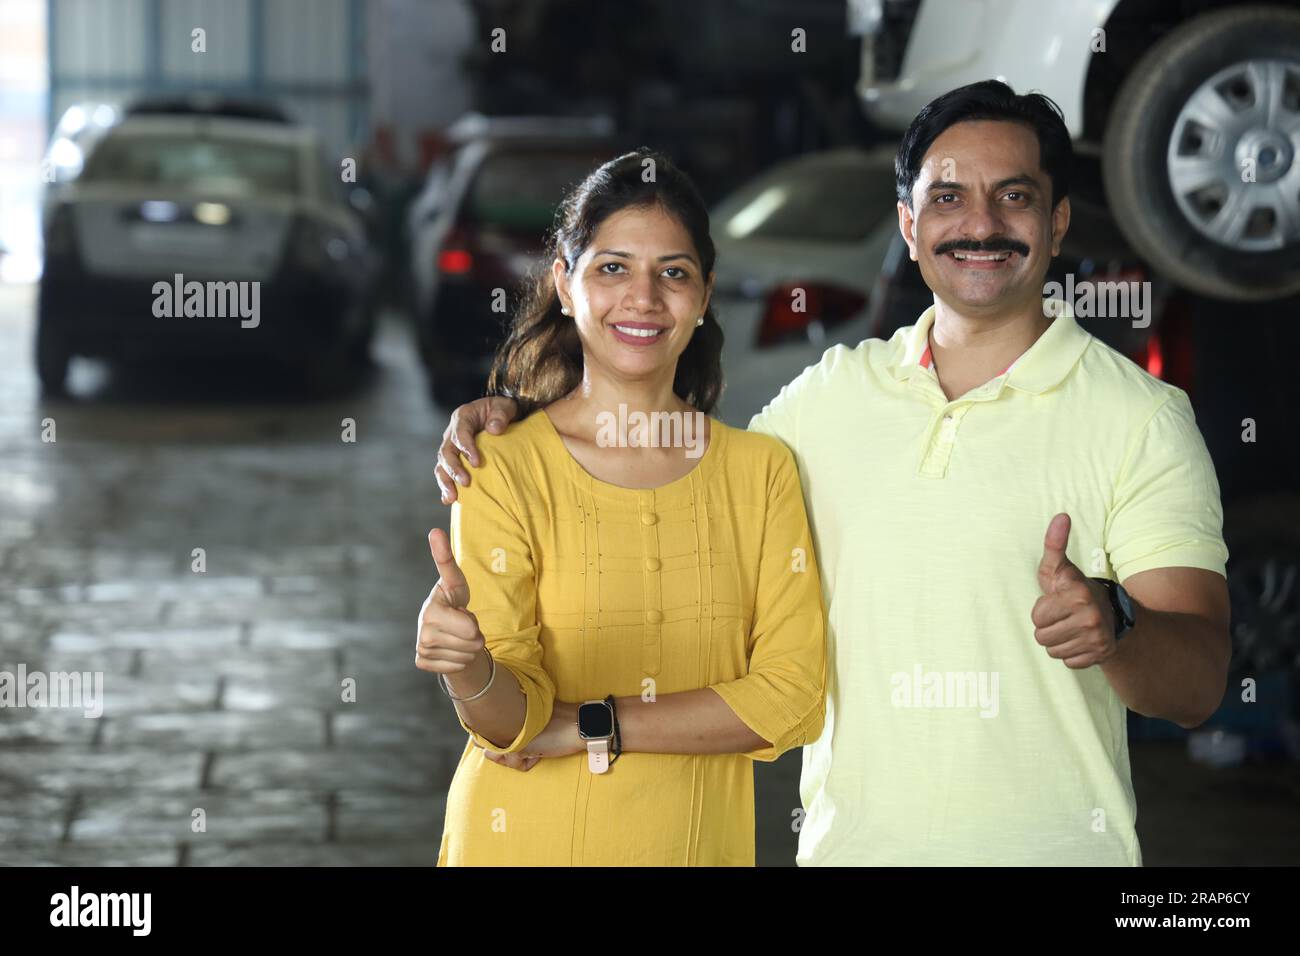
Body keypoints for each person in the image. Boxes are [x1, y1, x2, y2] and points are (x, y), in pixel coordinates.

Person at [435, 82, 1231, 866]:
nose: (980, 223)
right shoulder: (830, 398)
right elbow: (671, 469)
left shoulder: (1141, 420)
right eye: (948, 198)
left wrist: (1115, 626)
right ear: (909, 226)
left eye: (1013, 195)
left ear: (1057, 222)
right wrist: (513, 419)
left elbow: (1197, 685)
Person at [416, 148, 827, 866]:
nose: (643, 297)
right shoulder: (503, 466)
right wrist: (469, 668)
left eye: (673, 272)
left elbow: (793, 698)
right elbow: (507, 727)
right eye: (612, 268)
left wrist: (591, 725)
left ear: (703, 297)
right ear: (565, 286)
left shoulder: (762, 474)